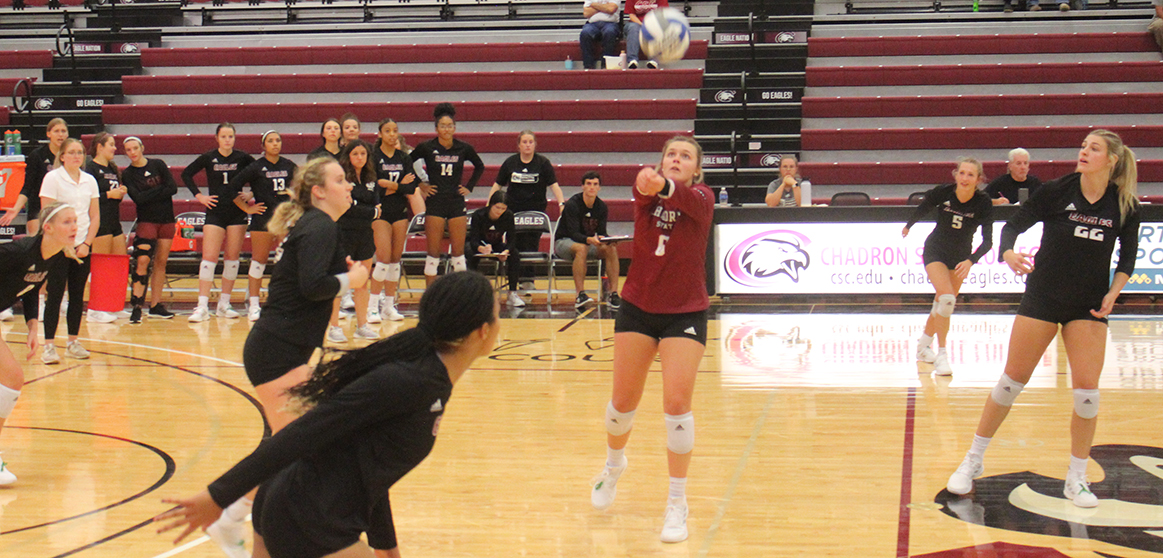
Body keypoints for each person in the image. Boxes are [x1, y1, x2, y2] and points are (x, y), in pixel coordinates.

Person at [156, 271, 498, 558]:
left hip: (300, 507)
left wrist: (386, 547)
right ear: (482, 330)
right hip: (307, 517)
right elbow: (302, 432)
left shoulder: (428, 379)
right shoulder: (408, 381)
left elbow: (372, 465)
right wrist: (218, 495)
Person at [945, 130, 1139, 509]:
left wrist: (1114, 292)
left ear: (1111, 159)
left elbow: (1127, 259)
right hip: (1043, 298)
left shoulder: (1125, 204)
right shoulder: (1056, 191)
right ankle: (973, 460)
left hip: (1087, 306)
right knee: (1010, 383)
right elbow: (1013, 225)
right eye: (1083, 146)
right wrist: (1008, 252)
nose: (1083, 152)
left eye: (1093, 149)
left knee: (1087, 395)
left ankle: (1076, 478)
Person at [202, 156, 368, 558]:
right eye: (340, 180)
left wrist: (339, 273)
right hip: (276, 351)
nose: (349, 186)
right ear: (319, 191)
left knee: (292, 444)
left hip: (284, 349)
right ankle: (235, 521)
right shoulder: (319, 225)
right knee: (294, 447)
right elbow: (314, 286)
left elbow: (308, 280)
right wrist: (353, 279)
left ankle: (235, 520)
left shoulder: (318, 226)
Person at [590, 136, 712, 543]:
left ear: (696, 169)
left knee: (677, 404)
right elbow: (644, 189)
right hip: (638, 306)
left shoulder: (702, 198)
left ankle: (677, 502)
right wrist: (646, 181)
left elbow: (685, 200)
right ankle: (613, 465)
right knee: (622, 403)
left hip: (685, 311)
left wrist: (662, 184)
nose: (676, 160)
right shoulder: (649, 194)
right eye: (670, 155)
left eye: (685, 156)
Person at [0, 202, 78, 484]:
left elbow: (31, 287)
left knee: (11, 378)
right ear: (48, 228)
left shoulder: (55, 257)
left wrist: (32, 325)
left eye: (75, 221)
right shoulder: (17, 251)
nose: (74, 227)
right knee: (12, 376)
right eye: (67, 222)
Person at [901, 158, 994, 376]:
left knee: (942, 304)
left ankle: (923, 346)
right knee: (946, 299)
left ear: (978, 179)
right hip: (935, 250)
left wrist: (971, 260)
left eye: (970, 175)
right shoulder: (944, 193)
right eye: (962, 173)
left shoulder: (983, 202)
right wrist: (909, 225)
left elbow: (988, 241)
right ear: (956, 175)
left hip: (960, 257)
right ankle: (942, 354)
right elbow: (924, 206)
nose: (965, 178)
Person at [184, 123, 257, 323]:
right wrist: (199, 196)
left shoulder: (242, 157)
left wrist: (250, 193)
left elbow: (261, 174)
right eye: (223, 136)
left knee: (232, 258)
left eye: (230, 136)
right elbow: (186, 174)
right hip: (215, 212)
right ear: (216, 138)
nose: (227, 140)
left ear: (235, 138)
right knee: (209, 258)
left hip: (237, 212)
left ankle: (224, 304)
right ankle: (202, 306)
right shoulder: (209, 157)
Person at [38, 138, 100, 364]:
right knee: (54, 295)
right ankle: (48, 346)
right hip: (57, 248)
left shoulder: (90, 180)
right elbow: (47, 214)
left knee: (77, 296)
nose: (76, 156)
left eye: (80, 152)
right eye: (71, 152)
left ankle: (73, 341)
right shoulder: (52, 178)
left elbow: (94, 216)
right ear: (62, 156)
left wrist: (86, 244)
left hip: (82, 247)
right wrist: (62, 245)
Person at [411, 103, 484, 286]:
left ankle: (461, 294)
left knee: (458, 254)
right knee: (433, 254)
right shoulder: (427, 147)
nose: (446, 129)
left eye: (450, 126)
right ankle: (431, 293)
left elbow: (479, 166)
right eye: (442, 126)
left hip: (455, 201)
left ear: (454, 128)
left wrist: (469, 187)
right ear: (436, 128)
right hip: (435, 202)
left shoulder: (463, 148)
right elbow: (406, 163)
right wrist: (420, 185)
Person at [228, 130, 298, 322]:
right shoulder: (256, 167)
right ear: (263, 146)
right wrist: (246, 208)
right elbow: (233, 186)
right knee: (258, 261)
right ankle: (254, 305)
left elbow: (304, 184)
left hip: (283, 219)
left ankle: (285, 302)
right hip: (263, 219)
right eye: (271, 141)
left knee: (286, 261)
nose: (275, 144)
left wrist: (296, 200)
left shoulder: (289, 165)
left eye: (278, 140)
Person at [487, 130, 564, 293]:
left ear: (535, 144)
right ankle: (513, 279)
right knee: (513, 244)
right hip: (512, 211)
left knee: (530, 244)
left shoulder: (542, 163)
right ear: (519, 145)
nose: (528, 145)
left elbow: (554, 185)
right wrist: (489, 203)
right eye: (524, 142)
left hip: (535, 211)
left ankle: (528, 280)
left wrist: (561, 203)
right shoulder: (510, 163)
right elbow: (497, 185)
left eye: (531, 142)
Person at [327, 139, 381, 344]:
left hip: (365, 234)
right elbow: (348, 207)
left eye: (363, 154)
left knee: (362, 282)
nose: (360, 157)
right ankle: (334, 327)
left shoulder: (371, 177)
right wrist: (369, 211)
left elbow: (377, 205)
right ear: (348, 156)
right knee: (340, 281)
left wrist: (367, 210)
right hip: (344, 233)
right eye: (355, 154)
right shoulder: (342, 179)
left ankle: (362, 325)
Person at [122, 136, 180, 324]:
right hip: (147, 221)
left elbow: (172, 188)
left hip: (167, 220)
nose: (132, 152)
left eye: (135, 148)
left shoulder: (158, 164)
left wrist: (148, 194)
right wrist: (158, 191)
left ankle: (155, 305)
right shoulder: (128, 174)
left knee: (161, 262)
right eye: (128, 150)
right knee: (143, 260)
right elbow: (138, 199)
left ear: (142, 148)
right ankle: (137, 306)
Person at [369, 118, 420, 323]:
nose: (392, 134)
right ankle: (373, 307)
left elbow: (412, 186)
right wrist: (399, 184)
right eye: (388, 131)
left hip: (399, 211)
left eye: (395, 131)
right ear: (380, 134)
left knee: (395, 260)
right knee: (382, 258)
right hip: (380, 212)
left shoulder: (403, 157)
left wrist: (391, 186)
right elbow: (375, 185)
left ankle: (389, 307)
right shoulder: (374, 156)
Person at [555, 171, 621, 310]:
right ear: (582, 187)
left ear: (599, 188)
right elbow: (573, 233)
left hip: (587, 243)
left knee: (610, 249)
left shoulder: (601, 207)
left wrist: (607, 239)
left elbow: (601, 232)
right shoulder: (573, 204)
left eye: (595, 184)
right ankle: (580, 295)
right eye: (589, 184)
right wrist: (590, 240)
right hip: (564, 242)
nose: (592, 187)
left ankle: (613, 294)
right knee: (581, 247)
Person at [85, 132, 128, 323]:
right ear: (100, 147)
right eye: (111, 144)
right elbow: (87, 197)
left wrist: (121, 193)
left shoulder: (112, 167)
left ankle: (112, 305)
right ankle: (95, 309)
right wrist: (109, 195)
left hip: (114, 220)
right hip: (99, 221)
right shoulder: (90, 169)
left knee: (118, 264)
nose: (115, 148)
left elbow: (114, 194)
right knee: (100, 266)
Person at [1, 118, 68, 236]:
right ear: (48, 134)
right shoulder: (37, 155)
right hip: (38, 208)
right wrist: (16, 208)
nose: (60, 135)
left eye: (63, 131)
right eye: (56, 131)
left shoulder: (71, 156)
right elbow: (27, 186)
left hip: (64, 207)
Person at [467, 191, 523, 307]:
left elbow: (512, 239)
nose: (499, 211)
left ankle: (512, 293)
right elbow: (473, 239)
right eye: (497, 207)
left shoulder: (508, 216)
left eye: (503, 208)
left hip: (496, 245)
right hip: (479, 244)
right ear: (491, 205)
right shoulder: (478, 215)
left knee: (514, 254)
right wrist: (481, 248)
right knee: (469, 252)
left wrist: (505, 251)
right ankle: (471, 293)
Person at [624, 0, 666, 68]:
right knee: (633, 28)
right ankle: (632, 60)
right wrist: (643, 25)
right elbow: (632, 15)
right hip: (636, 23)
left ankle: (654, 60)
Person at [580, 0, 622, 69]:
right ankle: (588, 66)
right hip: (592, 24)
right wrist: (605, 7)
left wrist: (593, 5)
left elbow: (611, 9)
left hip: (610, 23)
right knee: (585, 33)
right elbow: (586, 13)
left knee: (610, 32)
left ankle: (605, 65)